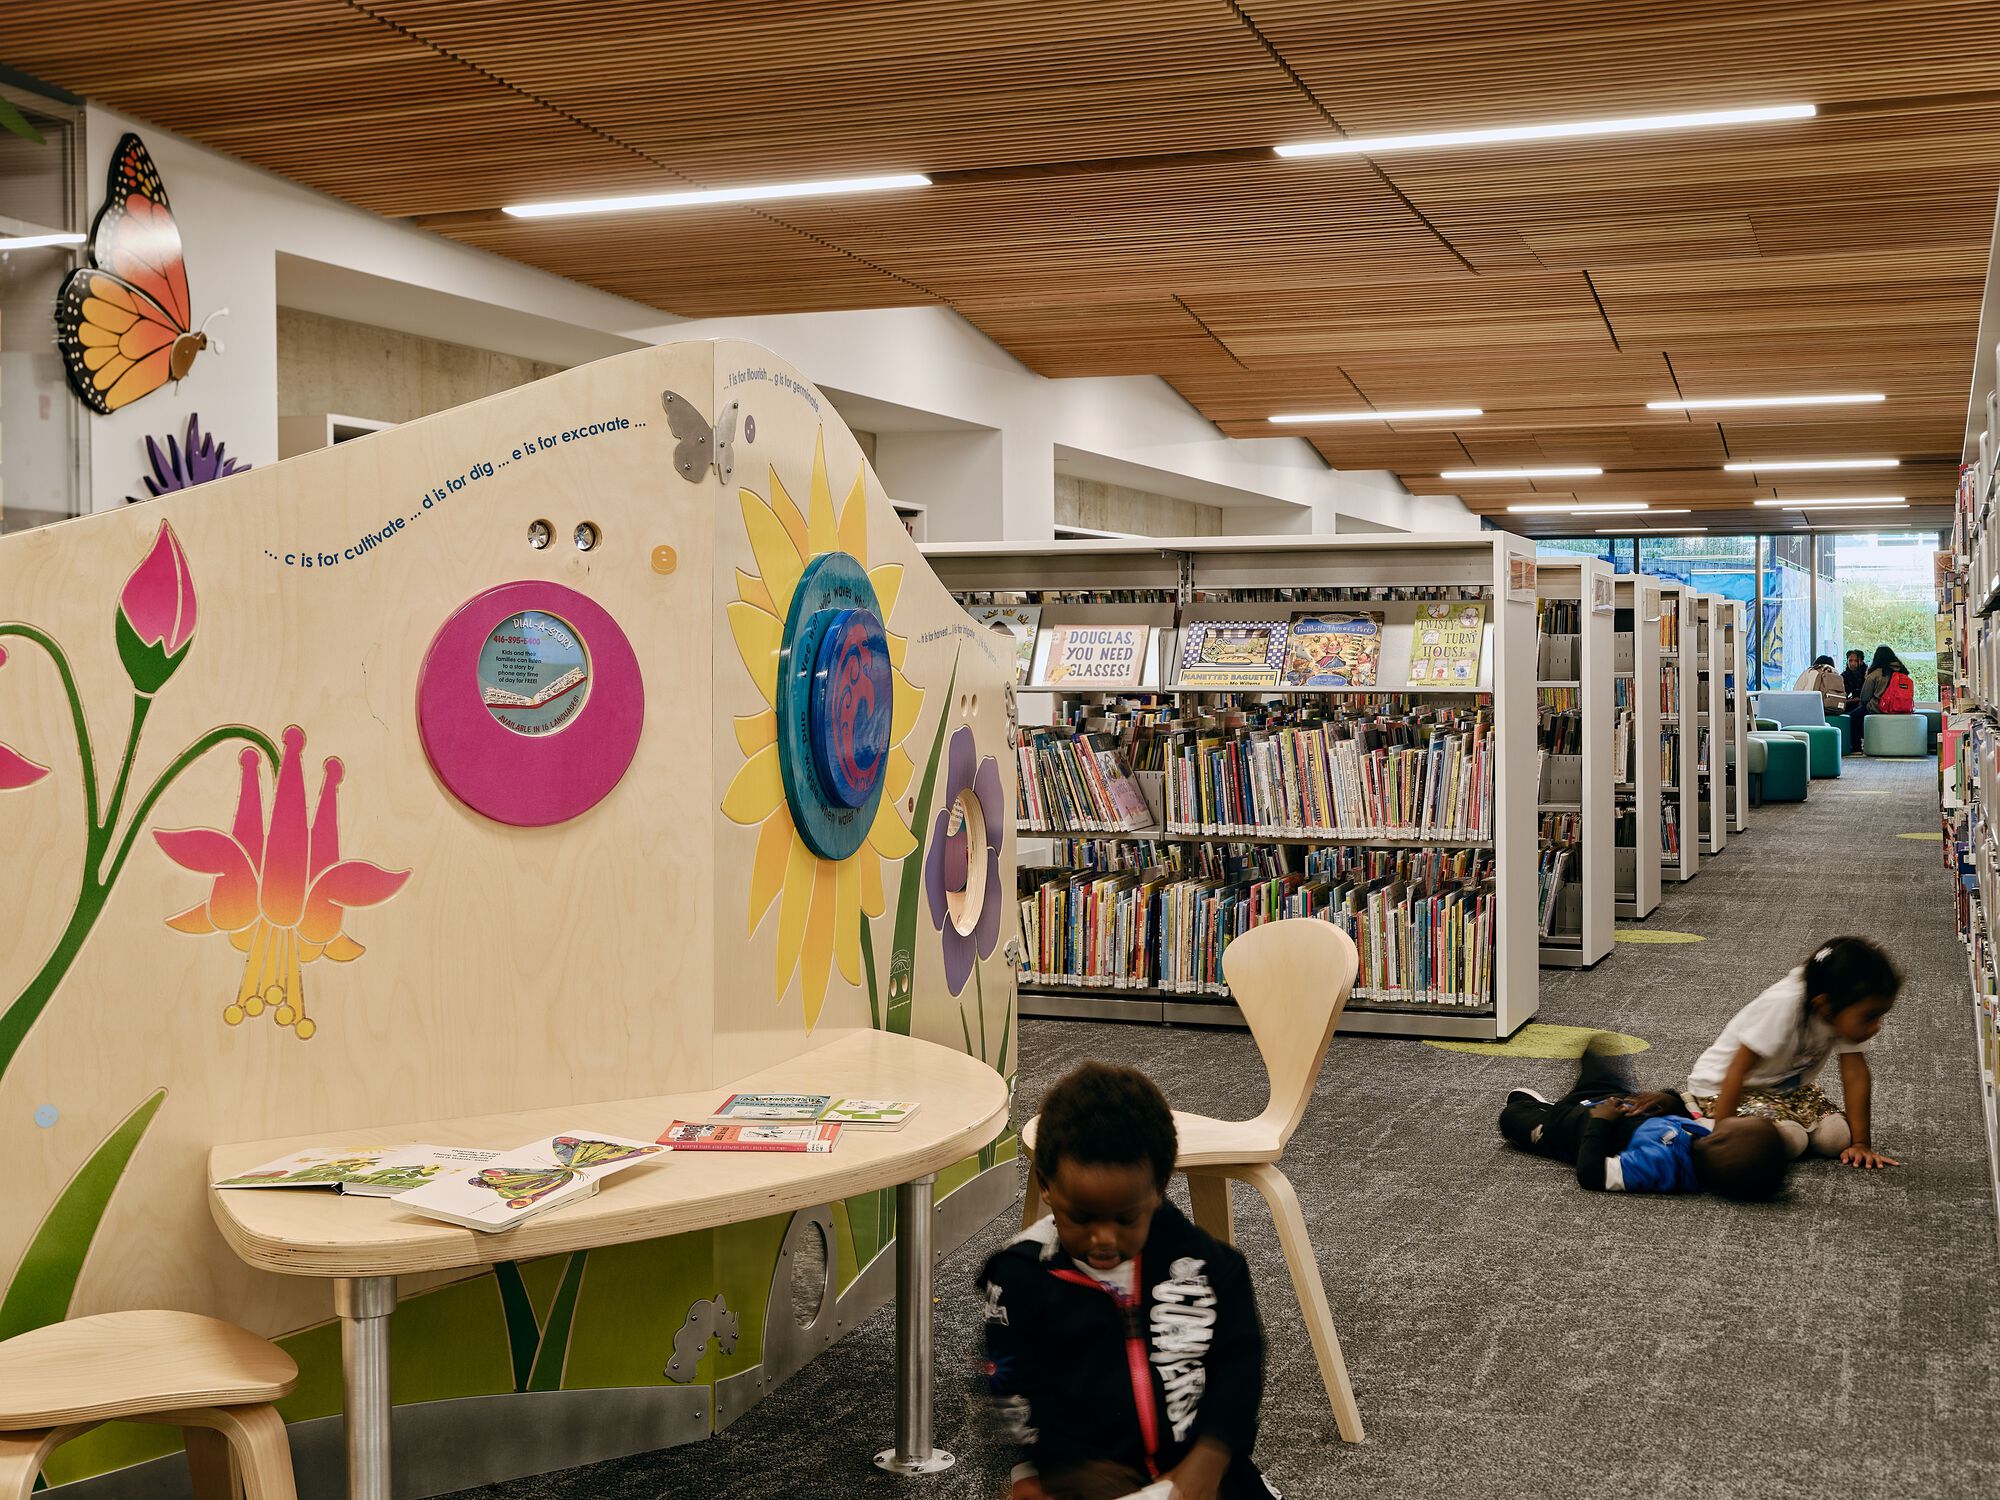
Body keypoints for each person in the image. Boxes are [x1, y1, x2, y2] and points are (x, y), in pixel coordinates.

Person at [980, 1063, 1276, 1500]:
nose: (1103, 1239)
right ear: (1046, 1185)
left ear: (1158, 1188)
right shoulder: (1019, 1278)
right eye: (1081, 1217)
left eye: (1125, 1219)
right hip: (1079, 1480)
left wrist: (1209, 1460)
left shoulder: (1213, 1270)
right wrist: (1033, 1472)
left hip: (1202, 1475)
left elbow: (1239, 1368)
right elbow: (1005, 1382)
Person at [1686, 937, 1902, 1166]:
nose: (1876, 1027)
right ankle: (1700, 1118)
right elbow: (1737, 1069)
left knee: (1838, 1138)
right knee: (1792, 1140)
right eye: (1869, 1017)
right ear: (1824, 1005)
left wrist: (1861, 1144)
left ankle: (1783, 1125)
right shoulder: (1784, 1004)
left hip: (1785, 1092)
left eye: (1880, 1015)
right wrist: (1724, 1137)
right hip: (1724, 1089)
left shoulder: (1838, 1002)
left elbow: (1855, 1075)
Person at [1500, 1034, 1789, 1199]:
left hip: (1569, 1128)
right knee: (1599, 1049)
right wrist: (1668, 1100)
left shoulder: (1663, 1167)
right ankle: (1551, 1106)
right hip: (1611, 1099)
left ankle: (1542, 1109)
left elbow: (1592, 1174)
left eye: (1734, 1127)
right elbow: (1683, 1112)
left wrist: (1601, 1121)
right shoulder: (1702, 1137)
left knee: (1511, 1117)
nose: (1727, 1121)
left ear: (1724, 1146)